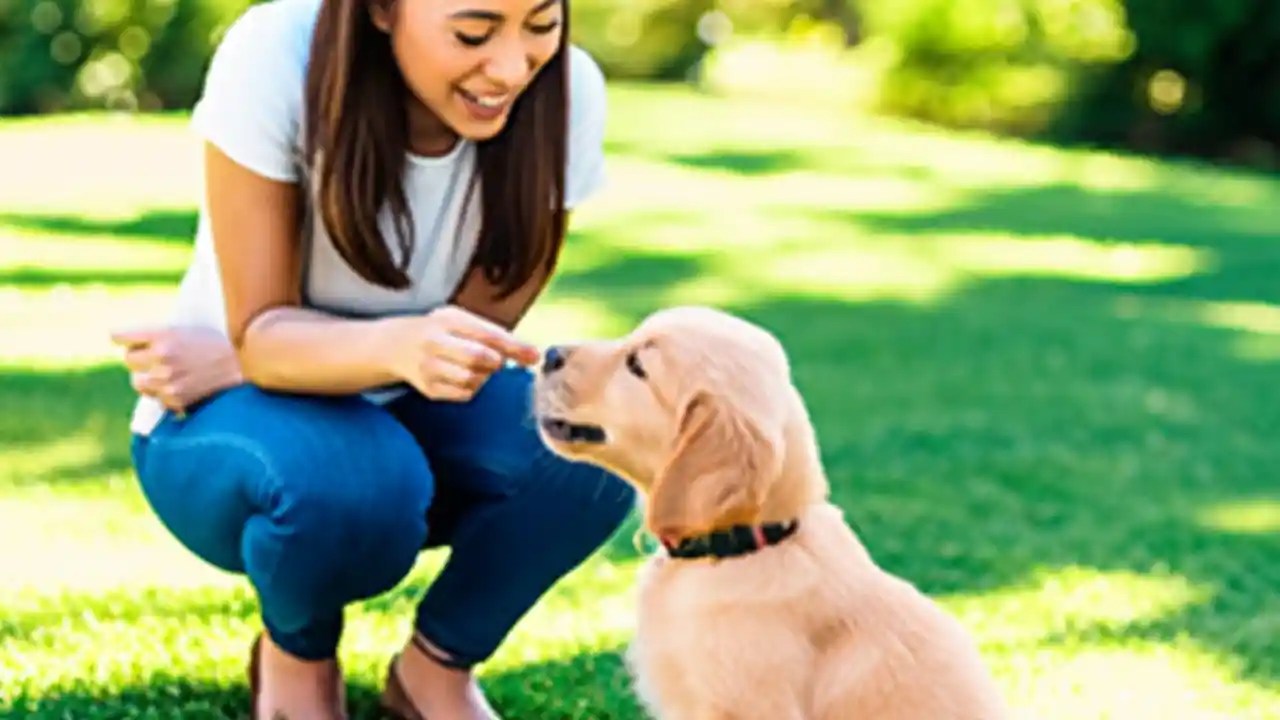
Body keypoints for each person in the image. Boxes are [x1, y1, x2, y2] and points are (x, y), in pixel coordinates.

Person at [110, 0, 635, 717]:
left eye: (541, 26)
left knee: (588, 442)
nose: (512, 68)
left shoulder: (568, 91)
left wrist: (237, 357)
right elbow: (264, 325)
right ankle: (298, 656)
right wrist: (262, 359)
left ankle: (436, 669)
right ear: (383, 10)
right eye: (474, 33)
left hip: (378, 402)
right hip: (225, 429)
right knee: (354, 482)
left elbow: (473, 335)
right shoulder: (276, 54)